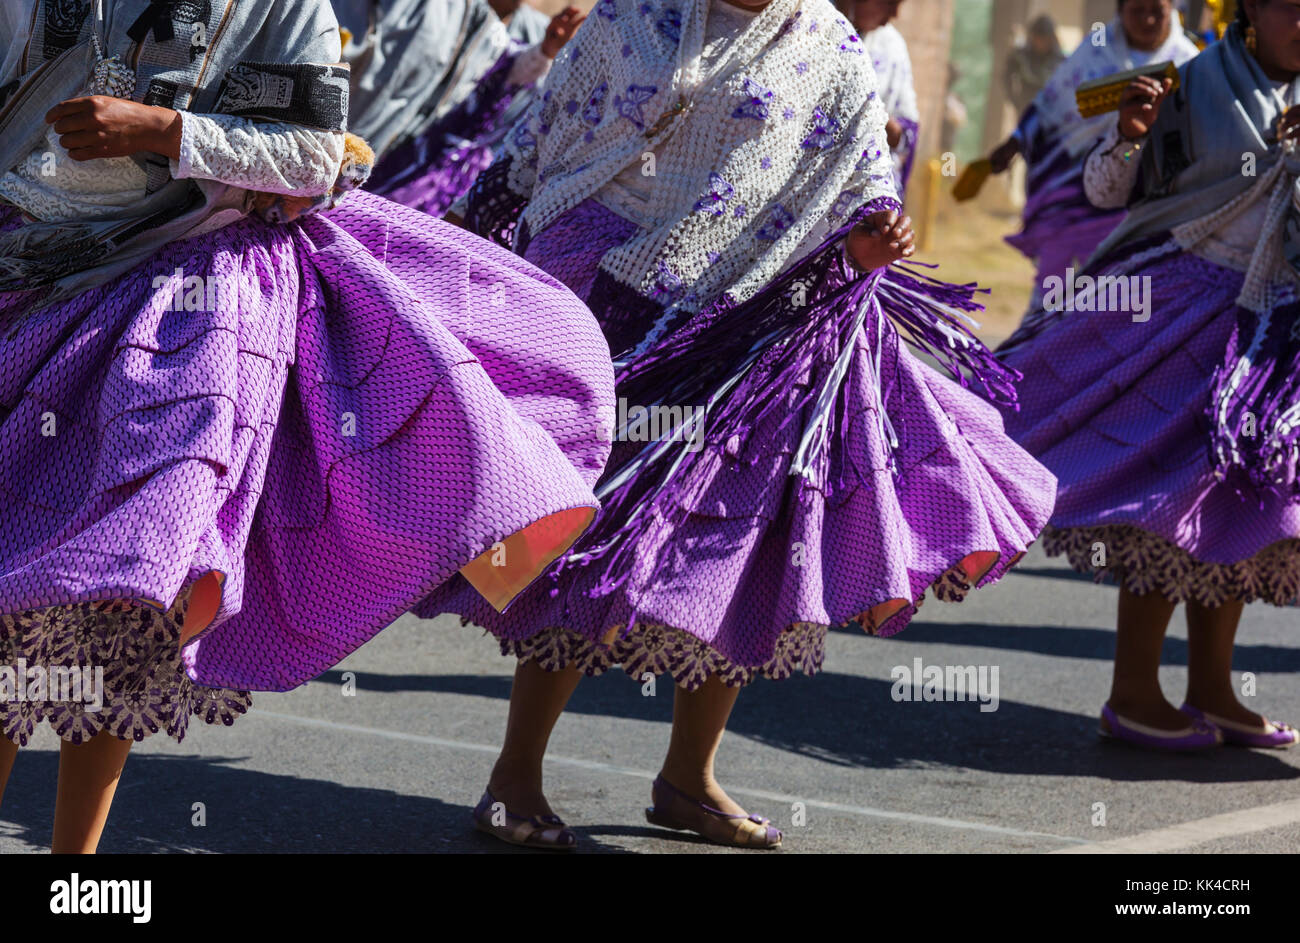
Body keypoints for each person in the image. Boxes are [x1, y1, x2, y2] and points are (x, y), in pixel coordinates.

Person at [423, 0, 1057, 850]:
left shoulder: (827, 42)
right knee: (591, 540)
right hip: (610, 315)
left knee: (732, 546)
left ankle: (689, 777)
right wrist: (455, 247)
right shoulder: (635, 15)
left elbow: (861, 175)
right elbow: (537, 142)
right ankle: (516, 776)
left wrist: (870, 235)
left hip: (759, 315)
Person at [0, 0, 614, 852]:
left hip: (191, 304)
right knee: (12, 595)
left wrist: (169, 130)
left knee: (131, 597)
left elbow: (316, 158)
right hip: (33, 277)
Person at [997, 0, 1300, 752]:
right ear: (1252, 14)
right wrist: (1129, 137)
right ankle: (1133, 690)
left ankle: (1213, 688)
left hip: (1269, 336)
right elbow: (1108, 189)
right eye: (1291, 6)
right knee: (1166, 499)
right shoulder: (1189, 85)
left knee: (1235, 501)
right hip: (1181, 312)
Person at [986, 0, 1200, 312]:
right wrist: (1016, 142)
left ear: (1173, 10)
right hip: (1075, 196)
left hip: (1145, 208)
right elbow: (1049, 105)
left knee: (1122, 306)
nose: (1148, 19)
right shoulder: (1094, 53)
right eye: (1137, 10)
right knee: (1052, 299)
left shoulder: (1189, 65)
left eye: (1157, 10)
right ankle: (1032, 353)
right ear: (1120, 10)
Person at [336, 0, 584, 215]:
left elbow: (499, 75)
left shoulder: (486, 28)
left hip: (387, 176)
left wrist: (545, 52)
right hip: (331, 135)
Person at [844, 0, 919, 192]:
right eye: (888, 2)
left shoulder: (892, 46)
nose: (894, 14)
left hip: (862, 187)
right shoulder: (809, 24)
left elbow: (908, 129)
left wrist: (889, 128)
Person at [1005, 15, 1064, 116]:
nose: (1041, 43)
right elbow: (1006, 76)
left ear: (1051, 39)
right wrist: (1014, 99)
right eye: (1038, 38)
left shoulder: (1060, 61)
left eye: (1044, 39)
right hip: (1026, 107)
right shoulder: (1021, 57)